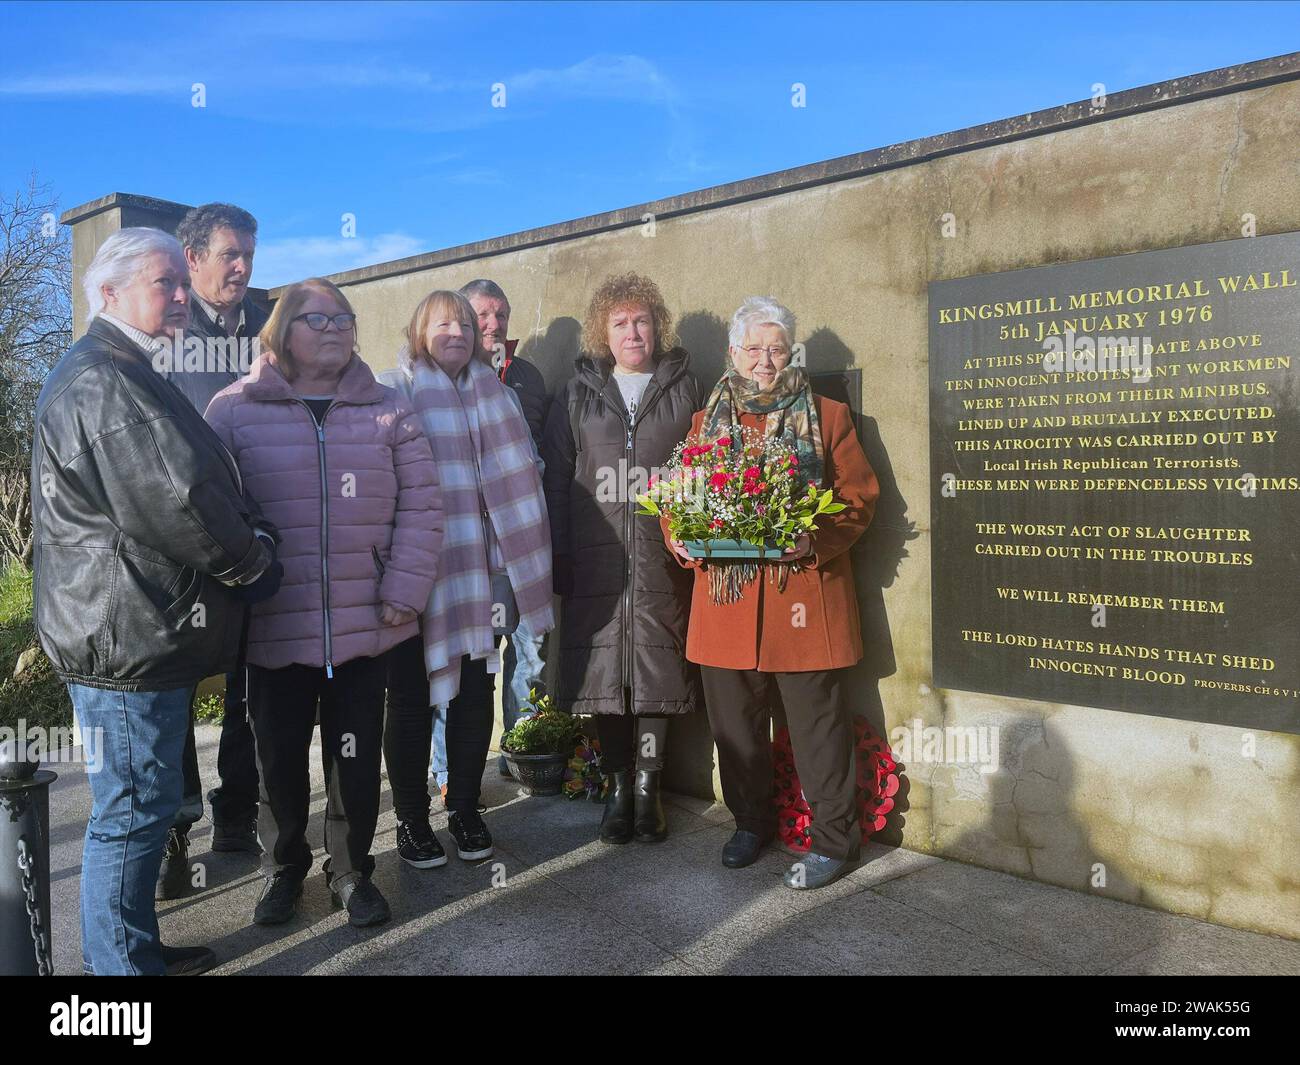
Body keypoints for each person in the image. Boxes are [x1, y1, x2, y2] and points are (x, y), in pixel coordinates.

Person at [31, 227, 280, 975]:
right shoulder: (105, 378)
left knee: (139, 806)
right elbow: (178, 498)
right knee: (133, 812)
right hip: (125, 638)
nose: (179, 296)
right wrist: (253, 562)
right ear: (108, 293)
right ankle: (121, 981)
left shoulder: (124, 366)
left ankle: (130, 952)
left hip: (131, 628)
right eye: (162, 282)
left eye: (180, 281)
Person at [205, 278, 442, 927]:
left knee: (355, 756)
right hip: (274, 621)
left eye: (343, 317)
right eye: (317, 318)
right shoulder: (233, 410)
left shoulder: (388, 408)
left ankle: (351, 870)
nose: (334, 327)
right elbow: (209, 509)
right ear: (282, 329)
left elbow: (424, 504)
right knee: (277, 758)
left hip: (365, 620)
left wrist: (403, 589)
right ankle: (283, 868)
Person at [664, 297, 879, 889]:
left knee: (818, 727)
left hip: (804, 598)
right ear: (733, 353)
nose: (764, 360)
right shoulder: (706, 422)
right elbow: (679, 495)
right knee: (735, 728)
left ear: (791, 353)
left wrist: (813, 539)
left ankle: (835, 841)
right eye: (753, 348)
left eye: (776, 349)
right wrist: (679, 537)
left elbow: (859, 499)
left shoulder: (829, 416)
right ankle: (749, 824)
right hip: (725, 603)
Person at [380, 290, 553, 868]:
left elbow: (529, 469)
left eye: (463, 324)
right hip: (420, 572)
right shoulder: (395, 389)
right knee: (411, 698)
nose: (456, 332)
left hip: (486, 572)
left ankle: (464, 808)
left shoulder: (499, 394)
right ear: (419, 331)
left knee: (476, 693)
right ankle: (411, 820)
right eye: (442, 323)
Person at [541, 273, 700, 845]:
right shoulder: (576, 393)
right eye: (620, 323)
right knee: (605, 672)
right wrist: (561, 552)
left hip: (663, 554)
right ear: (602, 333)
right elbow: (557, 479)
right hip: (597, 554)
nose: (633, 332)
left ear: (657, 326)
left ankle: (648, 791)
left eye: (642, 321)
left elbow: (705, 467)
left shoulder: (686, 388)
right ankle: (616, 789)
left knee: (657, 668)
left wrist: (695, 537)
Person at [155, 203, 269, 901]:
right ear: (192, 258)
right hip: (183, 543)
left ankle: (237, 811)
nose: (243, 267)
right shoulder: (162, 335)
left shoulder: (268, 326)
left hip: (255, 536)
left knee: (249, 685)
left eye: (250, 254)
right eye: (230, 254)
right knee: (174, 689)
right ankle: (174, 831)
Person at [460, 279, 549, 778]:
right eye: (483, 315)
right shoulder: (443, 378)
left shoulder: (528, 377)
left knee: (530, 654)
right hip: (472, 549)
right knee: (470, 661)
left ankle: (521, 755)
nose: (494, 325)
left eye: (502, 315)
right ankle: (453, 772)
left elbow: (542, 455)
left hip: (525, 541)